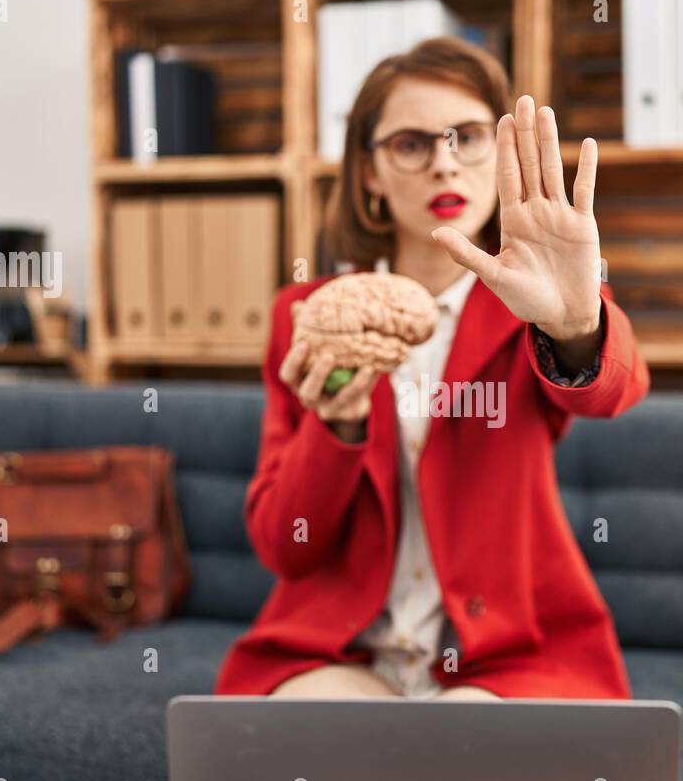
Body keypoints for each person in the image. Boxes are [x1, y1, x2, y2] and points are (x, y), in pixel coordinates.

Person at [213, 36, 649, 701]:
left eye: (466, 137)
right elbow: (285, 547)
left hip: (500, 660)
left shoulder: (534, 306)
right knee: (303, 730)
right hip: (344, 653)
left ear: (500, 153)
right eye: (410, 144)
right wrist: (336, 429)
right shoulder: (306, 317)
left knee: (464, 738)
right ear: (369, 172)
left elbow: (615, 392)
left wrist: (573, 324)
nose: (443, 163)